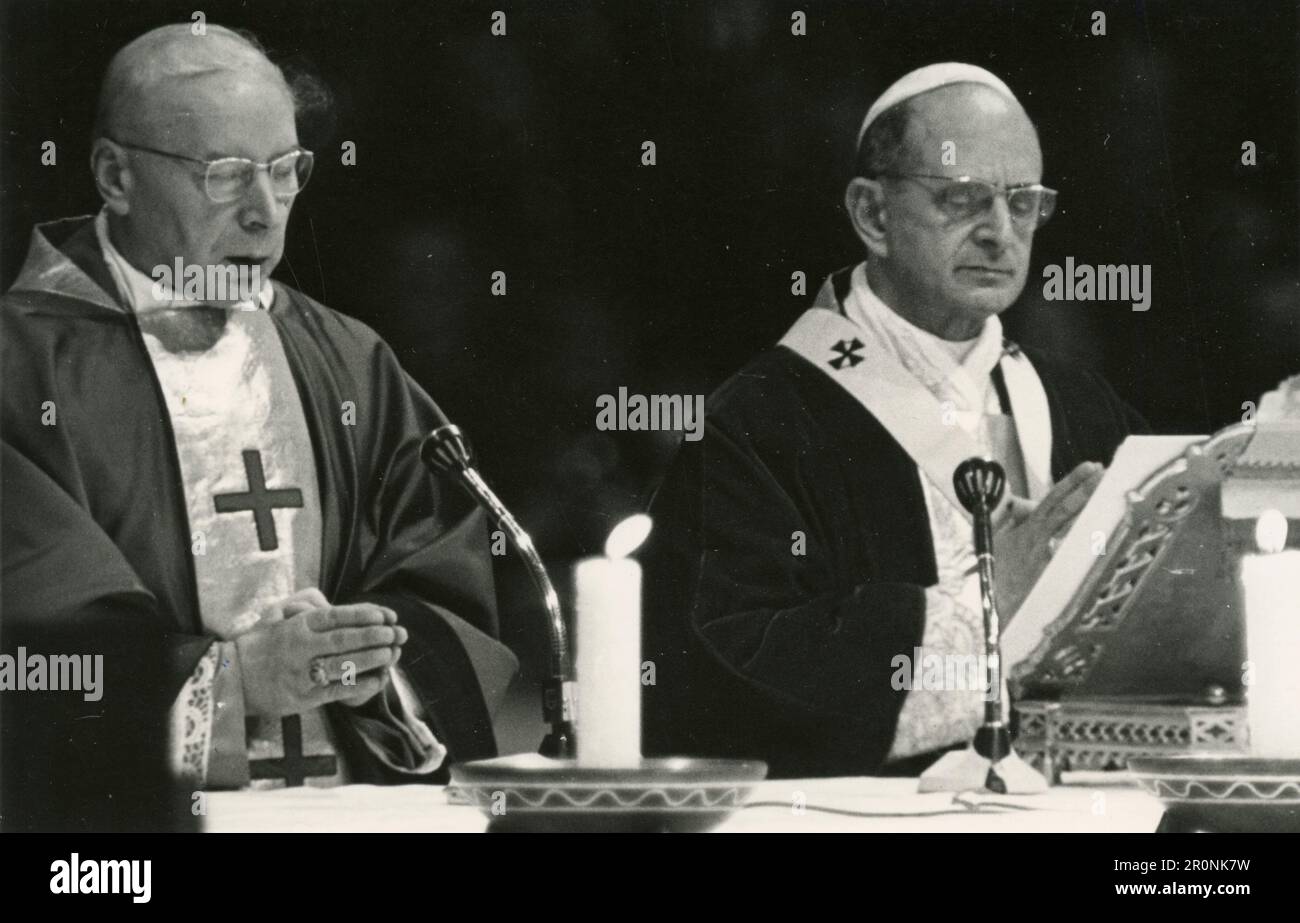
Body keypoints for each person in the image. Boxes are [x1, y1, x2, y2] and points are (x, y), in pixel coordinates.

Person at [0, 24, 517, 824]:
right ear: (114, 175)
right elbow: (40, 638)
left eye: (286, 170)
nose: (266, 212)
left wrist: (369, 665)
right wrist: (233, 683)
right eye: (226, 175)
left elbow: (442, 581)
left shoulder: (349, 358)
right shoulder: (24, 368)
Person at [643, 63, 1148, 778]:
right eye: (963, 198)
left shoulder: (1082, 406)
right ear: (872, 215)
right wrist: (985, 609)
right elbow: (728, 673)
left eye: (1024, 202)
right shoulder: (757, 423)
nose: (1000, 233)